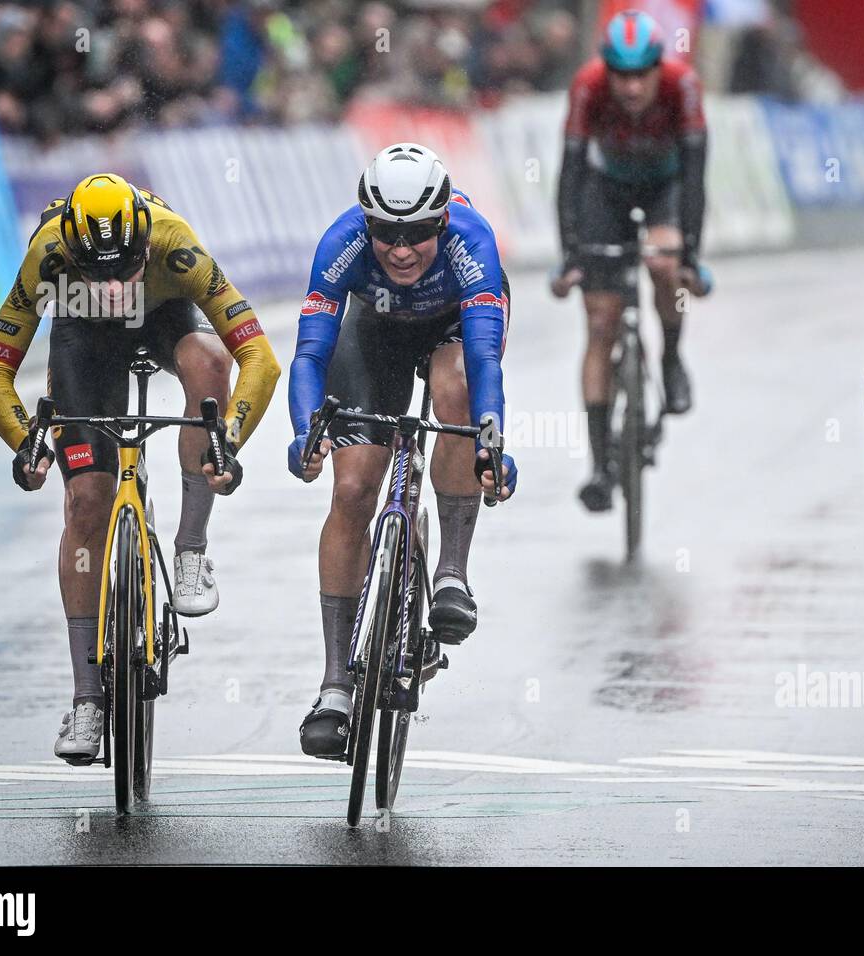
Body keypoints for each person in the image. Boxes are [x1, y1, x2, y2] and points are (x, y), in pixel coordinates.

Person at [0, 172, 280, 761]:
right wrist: (26, 442)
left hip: (165, 322)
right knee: (86, 503)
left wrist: (228, 440)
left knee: (210, 362)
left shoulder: (176, 243)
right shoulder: (47, 254)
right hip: (83, 343)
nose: (115, 287)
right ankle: (87, 697)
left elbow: (257, 357)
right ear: (73, 254)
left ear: (147, 246)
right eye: (99, 274)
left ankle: (191, 547)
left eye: (127, 270)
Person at [287, 143, 516, 758]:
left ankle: (451, 574)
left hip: (451, 331)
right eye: (386, 232)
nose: (401, 248)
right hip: (375, 331)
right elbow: (310, 354)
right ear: (367, 222)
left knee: (457, 396)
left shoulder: (473, 241)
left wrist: (491, 441)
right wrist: (305, 431)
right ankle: (336, 684)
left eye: (417, 232)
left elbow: (484, 358)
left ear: (442, 221)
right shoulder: (343, 244)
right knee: (353, 488)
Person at [552, 8, 709, 512]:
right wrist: (571, 253)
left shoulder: (682, 85)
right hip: (606, 188)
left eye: (641, 74)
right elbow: (570, 174)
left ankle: (670, 357)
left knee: (663, 264)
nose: (632, 87)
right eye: (622, 75)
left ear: (658, 69)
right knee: (600, 322)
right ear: (607, 71)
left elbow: (695, 173)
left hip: (666, 186)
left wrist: (691, 255)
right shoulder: (587, 85)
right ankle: (599, 465)